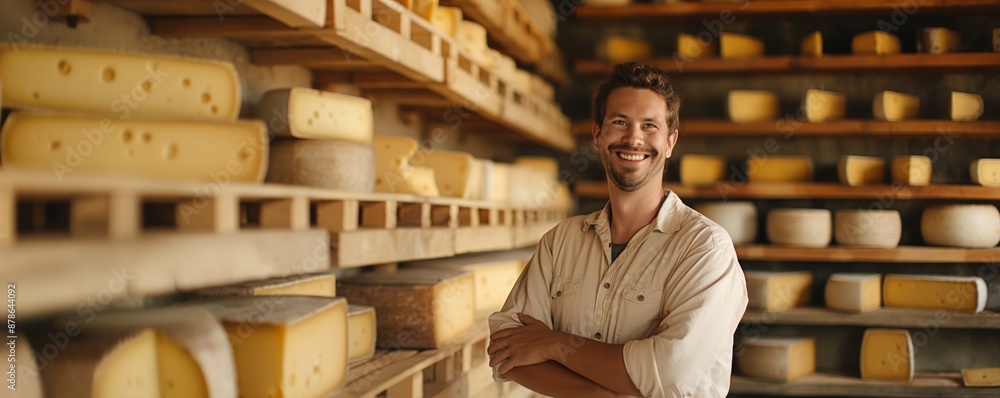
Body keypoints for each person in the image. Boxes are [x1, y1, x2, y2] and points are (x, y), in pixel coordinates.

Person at [486, 62, 749, 397]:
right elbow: (506, 349)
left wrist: (554, 343)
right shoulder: (560, 241)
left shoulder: (705, 249)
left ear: (670, 142)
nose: (633, 138)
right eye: (620, 122)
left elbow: (669, 371)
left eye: (649, 126)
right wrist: (601, 394)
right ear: (598, 135)